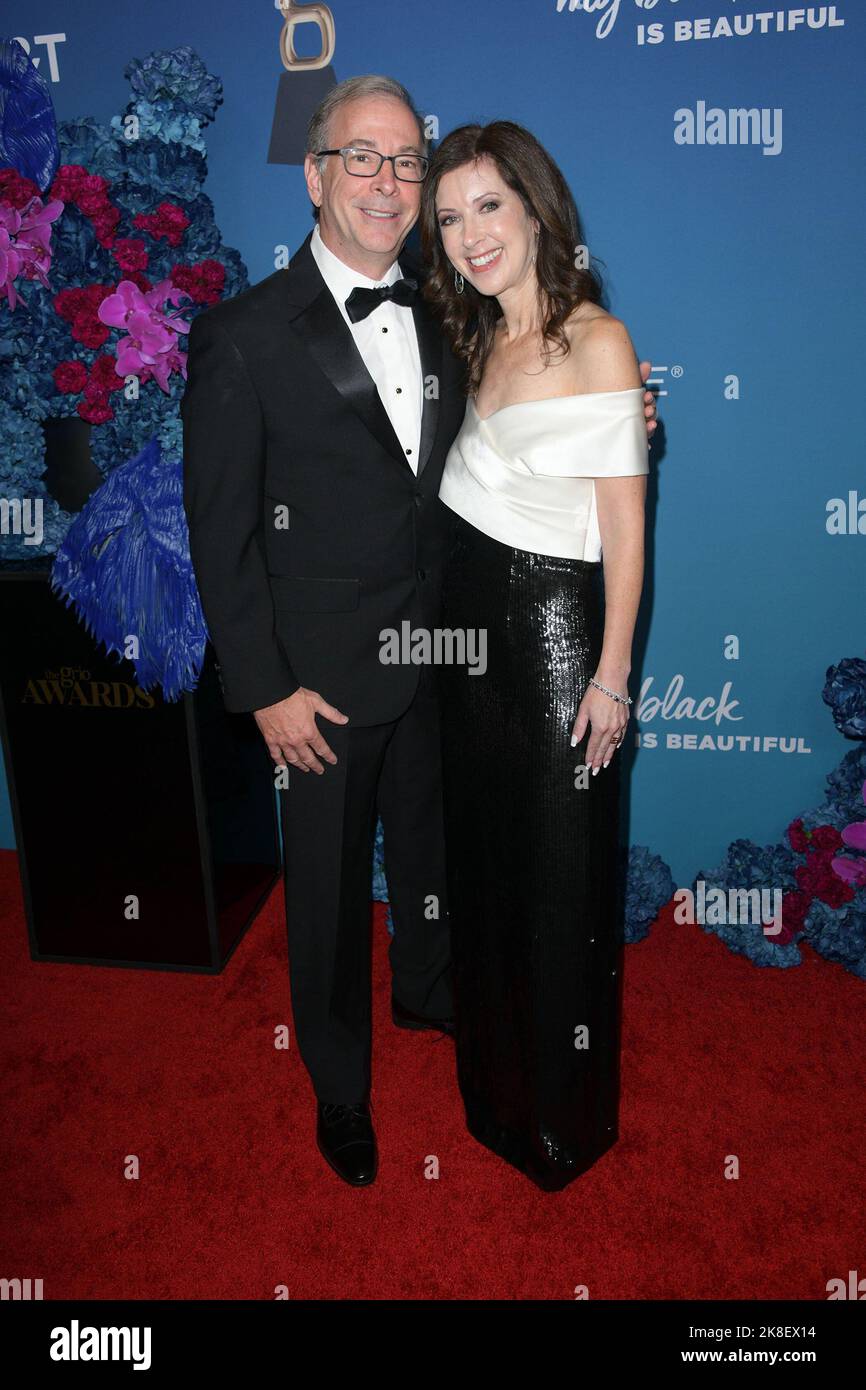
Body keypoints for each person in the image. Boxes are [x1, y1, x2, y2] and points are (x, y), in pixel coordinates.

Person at [181, 77, 657, 1188]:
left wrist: (623, 413)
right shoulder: (241, 336)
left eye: (407, 164)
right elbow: (221, 534)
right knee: (332, 898)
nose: (390, 183)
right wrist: (263, 687)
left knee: (444, 862)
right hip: (322, 687)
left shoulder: (452, 320)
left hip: (452, 664)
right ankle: (340, 1091)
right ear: (314, 174)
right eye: (364, 158)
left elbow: (542, 414)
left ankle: (434, 996)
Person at [419, 121, 650, 1191]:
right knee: (488, 872)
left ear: (533, 208)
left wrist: (610, 677)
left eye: (489, 207)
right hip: (470, 651)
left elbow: (624, 539)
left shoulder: (596, 340)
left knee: (557, 885)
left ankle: (559, 1117)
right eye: (453, 215)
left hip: (558, 644)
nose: (471, 234)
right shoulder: (474, 339)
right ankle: (494, 1092)